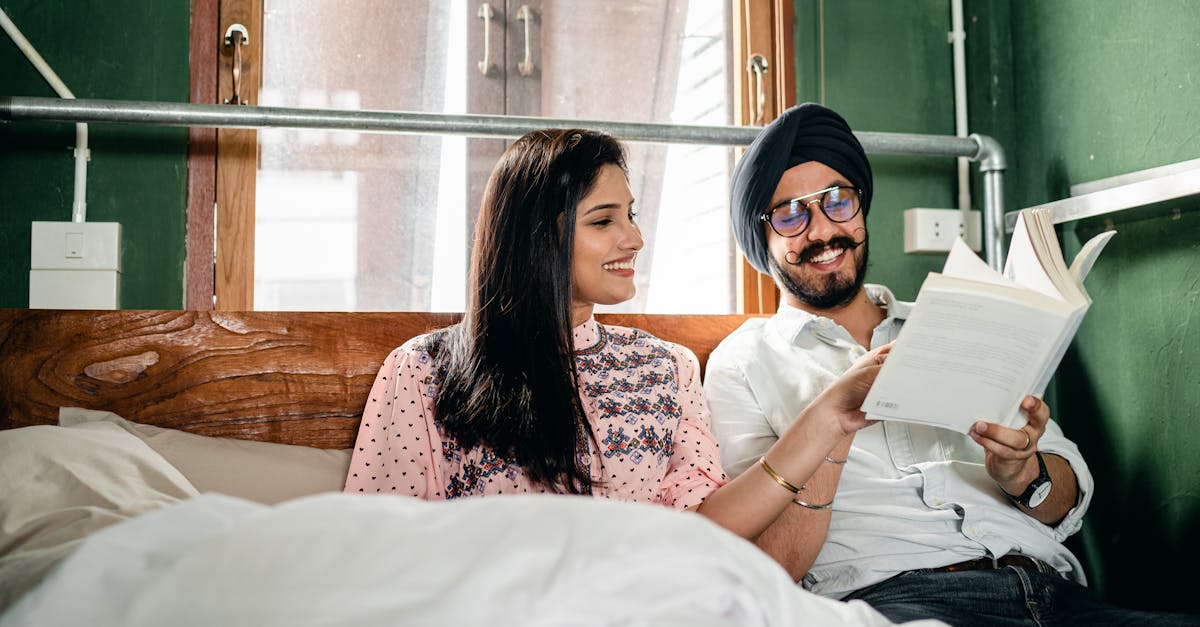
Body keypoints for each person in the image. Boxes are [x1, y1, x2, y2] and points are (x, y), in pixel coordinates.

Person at [704, 102, 1200, 625]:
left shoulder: (960, 318)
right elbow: (771, 563)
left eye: (836, 201)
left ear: (861, 206)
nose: (823, 230)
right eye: (790, 213)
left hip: (1055, 594)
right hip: (897, 604)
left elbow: (1066, 504)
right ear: (760, 237)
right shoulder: (743, 362)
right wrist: (832, 428)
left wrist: (1023, 472)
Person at [344, 128, 889, 549]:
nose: (635, 238)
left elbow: (708, 526)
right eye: (604, 221)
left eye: (630, 215)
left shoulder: (667, 367)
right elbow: (381, 547)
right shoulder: (424, 369)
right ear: (538, 234)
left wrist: (828, 415)